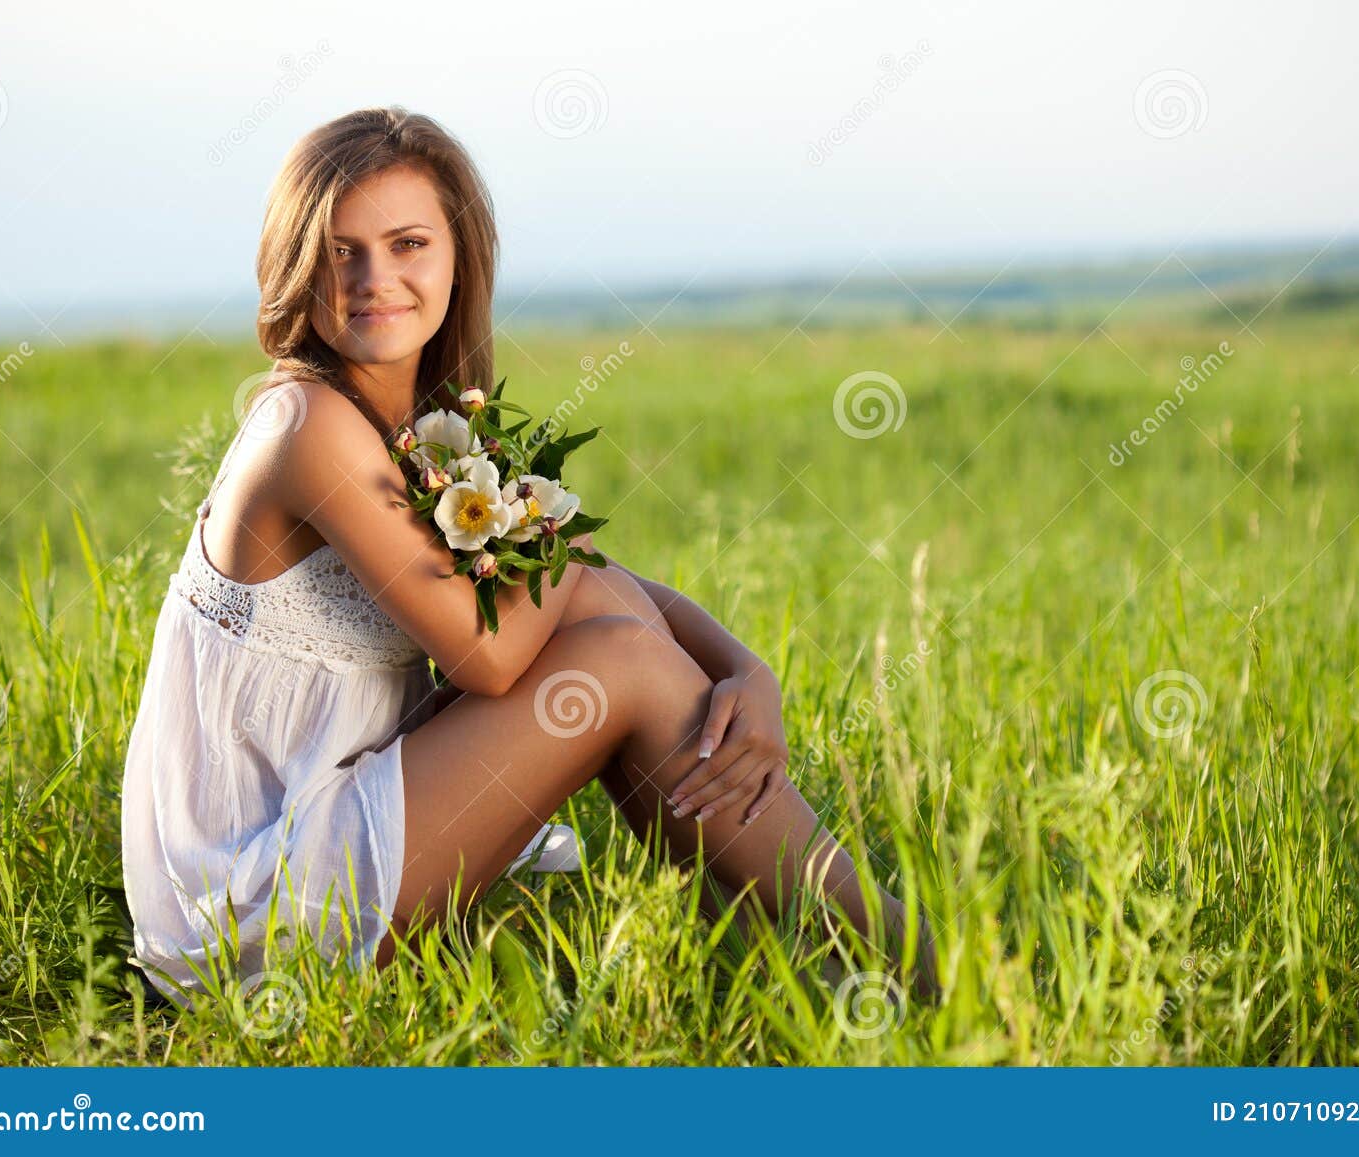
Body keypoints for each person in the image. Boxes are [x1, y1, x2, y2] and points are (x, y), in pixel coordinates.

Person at [120, 105, 937, 1006]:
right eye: (340, 250)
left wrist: (749, 671)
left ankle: (779, 944)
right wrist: (567, 559)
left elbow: (587, 584)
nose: (374, 278)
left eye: (407, 244)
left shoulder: (417, 429)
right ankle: (901, 952)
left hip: (323, 821)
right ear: (296, 265)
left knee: (606, 627)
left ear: (457, 256)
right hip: (249, 903)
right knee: (613, 652)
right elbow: (491, 653)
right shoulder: (308, 423)